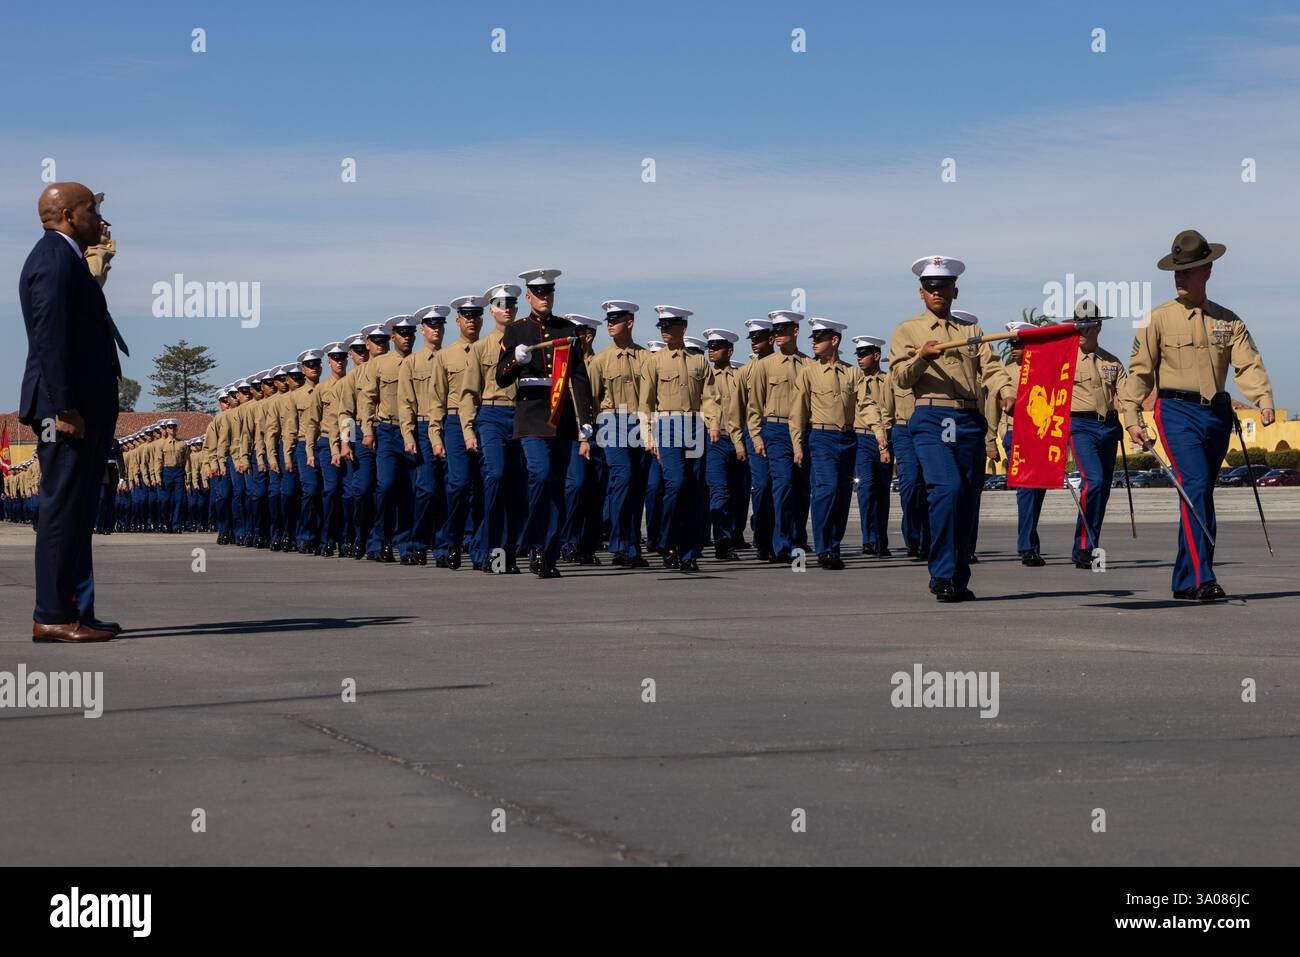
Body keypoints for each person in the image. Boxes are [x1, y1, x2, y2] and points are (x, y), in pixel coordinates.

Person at [1120, 230, 1274, 601]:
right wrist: (1132, 417)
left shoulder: (1228, 321)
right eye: (1177, 271)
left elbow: (1248, 364)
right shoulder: (1157, 319)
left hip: (1217, 415)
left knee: (1200, 491)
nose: (1180, 276)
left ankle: (1184, 579)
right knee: (1196, 487)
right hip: (1176, 413)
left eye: (1187, 270)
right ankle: (1203, 576)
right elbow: (1140, 372)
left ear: (1207, 270)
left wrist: (1263, 399)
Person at [19, 182, 128, 642]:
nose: (98, 219)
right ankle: (52, 614)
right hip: (65, 411)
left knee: (79, 512)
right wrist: (64, 405)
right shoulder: (53, 259)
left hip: (80, 407)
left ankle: (78, 610)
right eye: (90, 211)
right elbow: (50, 337)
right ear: (67, 215)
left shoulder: (69, 258)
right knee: (62, 510)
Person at [889, 255, 1013, 602]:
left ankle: (958, 576)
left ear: (954, 291)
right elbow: (900, 378)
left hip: (969, 420)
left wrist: (1006, 392)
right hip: (934, 418)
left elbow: (992, 368)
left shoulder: (971, 332)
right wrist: (921, 358)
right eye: (930, 287)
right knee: (948, 489)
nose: (937, 292)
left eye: (943, 286)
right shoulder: (908, 330)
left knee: (968, 498)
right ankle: (941, 573)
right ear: (921, 293)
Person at [496, 268, 595, 578]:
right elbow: (501, 377)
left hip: (561, 416)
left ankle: (546, 554)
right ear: (528, 297)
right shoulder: (517, 331)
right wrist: (516, 360)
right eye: (538, 293)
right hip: (531, 416)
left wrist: (585, 420)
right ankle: (531, 539)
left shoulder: (567, 329)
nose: (544, 298)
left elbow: (579, 377)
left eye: (548, 293)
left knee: (559, 486)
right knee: (540, 475)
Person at [790, 319, 887, 569]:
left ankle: (833, 547)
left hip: (848, 439)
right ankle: (824, 549)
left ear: (834, 340)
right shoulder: (808, 373)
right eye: (813, 338)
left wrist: (878, 431)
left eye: (819, 338)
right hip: (821, 437)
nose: (814, 343)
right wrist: (798, 445)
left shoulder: (852, 374)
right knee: (828, 489)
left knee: (843, 495)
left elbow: (866, 405)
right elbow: (798, 412)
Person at [459, 287, 524, 573]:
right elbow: (468, 394)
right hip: (491, 415)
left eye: (511, 304)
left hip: (521, 416)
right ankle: (490, 551)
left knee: (515, 488)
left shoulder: (527, 344)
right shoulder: (481, 348)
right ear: (492, 311)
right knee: (495, 477)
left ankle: (504, 555)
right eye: (501, 305)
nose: (506, 309)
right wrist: (468, 431)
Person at [640, 305, 708, 571]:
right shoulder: (654, 361)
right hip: (667, 425)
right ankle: (668, 543)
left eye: (670, 326)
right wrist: (648, 435)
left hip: (695, 425)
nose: (665, 331)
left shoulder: (698, 362)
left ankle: (689, 553)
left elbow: (710, 397)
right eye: (662, 326)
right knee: (676, 484)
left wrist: (712, 425)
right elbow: (646, 403)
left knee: (694, 490)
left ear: (683, 327)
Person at [1063, 300, 1128, 569]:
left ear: (1098, 327)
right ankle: (1082, 546)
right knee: (1095, 482)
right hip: (1080, 426)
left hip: (1108, 427)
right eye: (1077, 326)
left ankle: (1090, 546)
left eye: (1086, 327)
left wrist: (1136, 424)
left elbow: (1127, 397)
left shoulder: (1111, 361)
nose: (1080, 332)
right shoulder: (1065, 360)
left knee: (1102, 491)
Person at [743, 311, 811, 563]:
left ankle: (796, 538)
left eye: (783, 331)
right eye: (776, 331)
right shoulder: (764, 366)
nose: (778, 335)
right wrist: (756, 437)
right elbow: (754, 407)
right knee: (782, 484)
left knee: (801, 488)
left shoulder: (809, 365)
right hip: (775, 430)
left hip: (803, 431)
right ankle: (780, 543)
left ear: (795, 331)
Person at [588, 300, 649, 567]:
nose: (611, 324)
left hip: (640, 422)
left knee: (637, 485)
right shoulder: (600, 360)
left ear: (630, 323)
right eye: (609, 320)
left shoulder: (647, 359)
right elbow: (591, 399)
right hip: (611, 421)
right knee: (622, 478)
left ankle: (633, 546)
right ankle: (619, 545)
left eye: (616, 320)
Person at [430, 298, 485, 569]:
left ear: (482, 320)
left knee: (484, 486)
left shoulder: (489, 350)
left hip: (484, 419)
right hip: (454, 422)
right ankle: (448, 540)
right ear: (458, 321)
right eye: (466, 316)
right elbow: (436, 400)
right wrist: (435, 436)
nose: (471, 320)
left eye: (475, 316)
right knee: (459, 484)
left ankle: (477, 547)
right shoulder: (445, 356)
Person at [361, 316, 418, 563]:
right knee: (386, 486)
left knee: (410, 491)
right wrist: (366, 431)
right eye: (402, 333)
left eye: (410, 333)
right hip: (388, 430)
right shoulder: (379, 365)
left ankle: (406, 546)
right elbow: (366, 400)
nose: (406, 337)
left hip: (417, 431)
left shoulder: (421, 361)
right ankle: (380, 539)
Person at [991, 321, 1047, 566]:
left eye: (1019, 344)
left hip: (1042, 435)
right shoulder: (1006, 373)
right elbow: (994, 408)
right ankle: (1027, 547)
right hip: (1016, 434)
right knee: (1026, 490)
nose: (1014, 348)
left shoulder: (1045, 370)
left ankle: (1030, 541)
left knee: (1038, 490)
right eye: (1011, 344)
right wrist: (992, 438)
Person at [399, 308, 448, 566]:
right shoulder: (412, 363)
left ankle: (443, 547)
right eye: (431, 326)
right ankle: (417, 542)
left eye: (439, 325)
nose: (436, 330)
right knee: (426, 488)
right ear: (423, 330)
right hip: (423, 427)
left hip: (449, 426)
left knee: (449, 488)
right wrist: (408, 435)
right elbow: (405, 403)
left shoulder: (450, 357)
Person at [559, 313, 605, 563]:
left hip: (598, 430)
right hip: (571, 432)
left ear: (588, 336)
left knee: (595, 490)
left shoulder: (600, 362)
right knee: (575, 485)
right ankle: (568, 541)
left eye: (575, 334)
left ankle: (587, 546)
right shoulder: (562, 362)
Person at [732, 319, 777, 560]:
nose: (754, 343)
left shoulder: (785, 365)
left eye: (758, 338)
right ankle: (762, 535)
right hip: (755, 432)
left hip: (783, 431)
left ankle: (780, 538)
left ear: (771, 339)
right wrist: (739, 442)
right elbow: (736, 411)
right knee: (763, 485)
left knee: (783, 486)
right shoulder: (745, 372)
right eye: (752, 339)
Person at [700, 327, 746, 560]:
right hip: (714, 441)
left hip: (738, 441)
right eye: (710, 347)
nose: (711, 351)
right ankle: (722, 541)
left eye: (717, 347)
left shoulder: (741, 377)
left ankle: (735, 535)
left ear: (729, 351)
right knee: (719, 491)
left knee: (739, 492)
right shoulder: (704, 377)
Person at [302, 342, 349, 556]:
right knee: (331, 490)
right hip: (326, 443)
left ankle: (347, 538)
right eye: (335, 359)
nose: (339, 362)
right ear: (329, 362)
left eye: (342, 358)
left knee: (349, 492)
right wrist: (310, 451)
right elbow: (312, 423)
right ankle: (327, 538)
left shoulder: (352, 383)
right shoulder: (320, 390)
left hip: (349, 441)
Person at [851, 335, 894, 557]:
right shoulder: (855, 380)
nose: (859, 358)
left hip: (886, 440)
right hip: (862, 439)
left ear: (876, 356)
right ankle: (868, 539)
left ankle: (881, 541)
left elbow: (892, 410)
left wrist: (885, 440)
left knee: (882, 491)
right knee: (866, 489)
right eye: (858, 354)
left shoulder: (888, 381)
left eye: (864, 354)